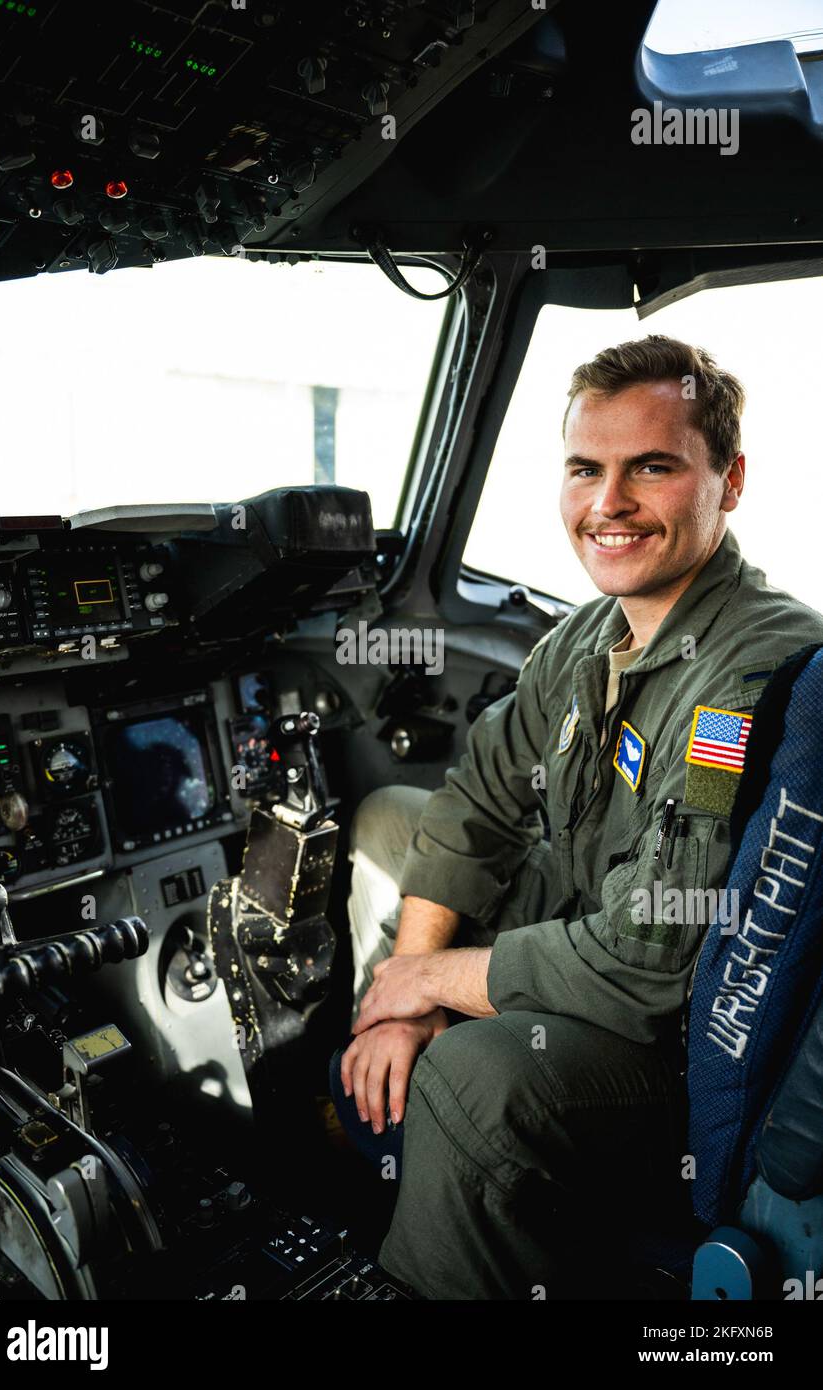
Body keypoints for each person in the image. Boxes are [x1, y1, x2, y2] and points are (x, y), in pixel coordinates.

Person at [331, 334, 823, 1299]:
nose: (610, 505)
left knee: (471, 1078)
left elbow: (649, 966)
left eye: (652, 467)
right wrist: (406, 986)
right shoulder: (593, 633)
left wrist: (427, 979)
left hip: (677, 1049)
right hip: (589, 940)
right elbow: (478, 796)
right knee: (396, 813)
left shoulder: (749, 679)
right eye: (585, 470)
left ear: (729, 479)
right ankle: (360, 1107)